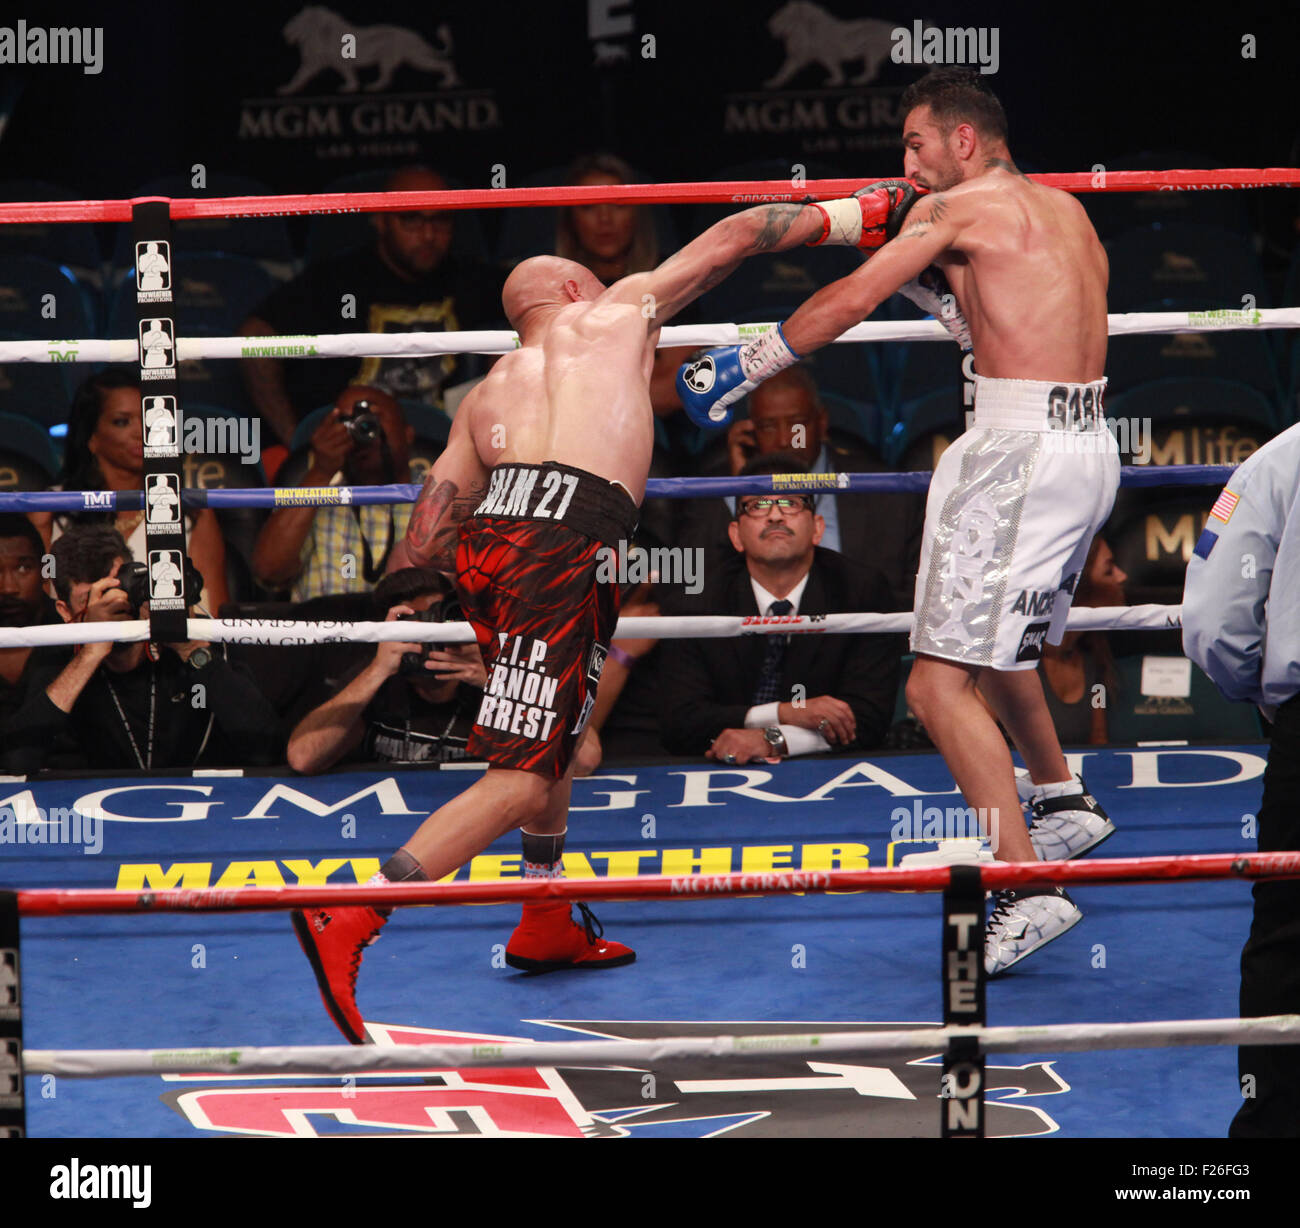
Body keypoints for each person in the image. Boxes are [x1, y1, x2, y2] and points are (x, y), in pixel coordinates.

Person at [288, 184, 913, 1043]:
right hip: (564, 543)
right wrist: (862, 213)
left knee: (547, 747)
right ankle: (355, 912)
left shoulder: (485, 394)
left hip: (497, 544)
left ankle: (543, 922)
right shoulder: (613, 315)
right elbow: (734, 234)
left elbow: (429, 539)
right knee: (518, 772)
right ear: (579, 291)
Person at [678, 67, 1119, 975]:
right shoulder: (1067, 212)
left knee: (933, 686)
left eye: (916, 143)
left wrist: (750, 363)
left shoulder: (956, 212)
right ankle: (1062, 798)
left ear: (964, 140)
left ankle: (1030, 888)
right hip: (1090, 445)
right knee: (1004, 650)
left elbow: (853, 298)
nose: (906, 162)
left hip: (1014, 450)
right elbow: (984, 312)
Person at [1182, 422, 1300, 1137]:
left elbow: (1213, 621)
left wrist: (1266, 699)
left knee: (1290, 932)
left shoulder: (1283, 458)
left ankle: (1276, 1127)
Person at [240, 166, 507, 447]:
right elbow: (254, 335)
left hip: (450, 448)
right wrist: (296, 440)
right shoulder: (335, 281)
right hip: (355, 455)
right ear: (380, 220)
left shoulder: (474, 280)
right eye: (411, 220)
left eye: (441, 220)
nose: (428, 235)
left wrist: (500, 371)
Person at [660, 454, 899, 761]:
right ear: (736, 535)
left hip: (828, 774)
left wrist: (771, 740)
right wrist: (784, 713)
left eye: (791, 503)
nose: (775, 516)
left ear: (817, 527)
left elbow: (867, 719)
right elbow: (680, 723)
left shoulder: (861, 590)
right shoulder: (696, 599)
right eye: (757, 505)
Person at [2, 526, 281, 773]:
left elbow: (268, 746)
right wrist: (91, 651)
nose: (115, 604)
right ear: (64, 611)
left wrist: (191, 650)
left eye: (118, 590)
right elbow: (16, 762)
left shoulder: (195, 634)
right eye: (92, 598)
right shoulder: (59, 655)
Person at [681, 364, 924, 611]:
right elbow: (690, 585)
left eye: (797, 424)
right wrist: (741, 485)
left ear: (821, 422)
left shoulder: (886, 491)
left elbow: (914, 599)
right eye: (769, 427)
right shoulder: (713, 491)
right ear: (750, 431)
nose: (786, 439)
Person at [31, 368, 231, 614]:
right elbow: (38, 600)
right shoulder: (52, 507)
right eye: (122, 422)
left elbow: (209, 611)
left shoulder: (191, 510)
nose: (141, 432)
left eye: (150, 421)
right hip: (74, 646)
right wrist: (41, 530)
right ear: (91, 436)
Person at [287, 567, 486, 771]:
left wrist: (495, 683)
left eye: (438, 622)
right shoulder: (376, 681)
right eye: (415, 627)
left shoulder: (486, 673)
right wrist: (378, 671)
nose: (431, 637)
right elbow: (303, 759)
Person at [251, 386, 414, 601]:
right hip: (325, 631)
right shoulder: (316, 500)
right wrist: (321, 471)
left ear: (408, 434)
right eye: (349, 422)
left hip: (408, 633)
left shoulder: (435, 499)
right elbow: (268, 571)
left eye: (371, 419)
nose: (362, 430)